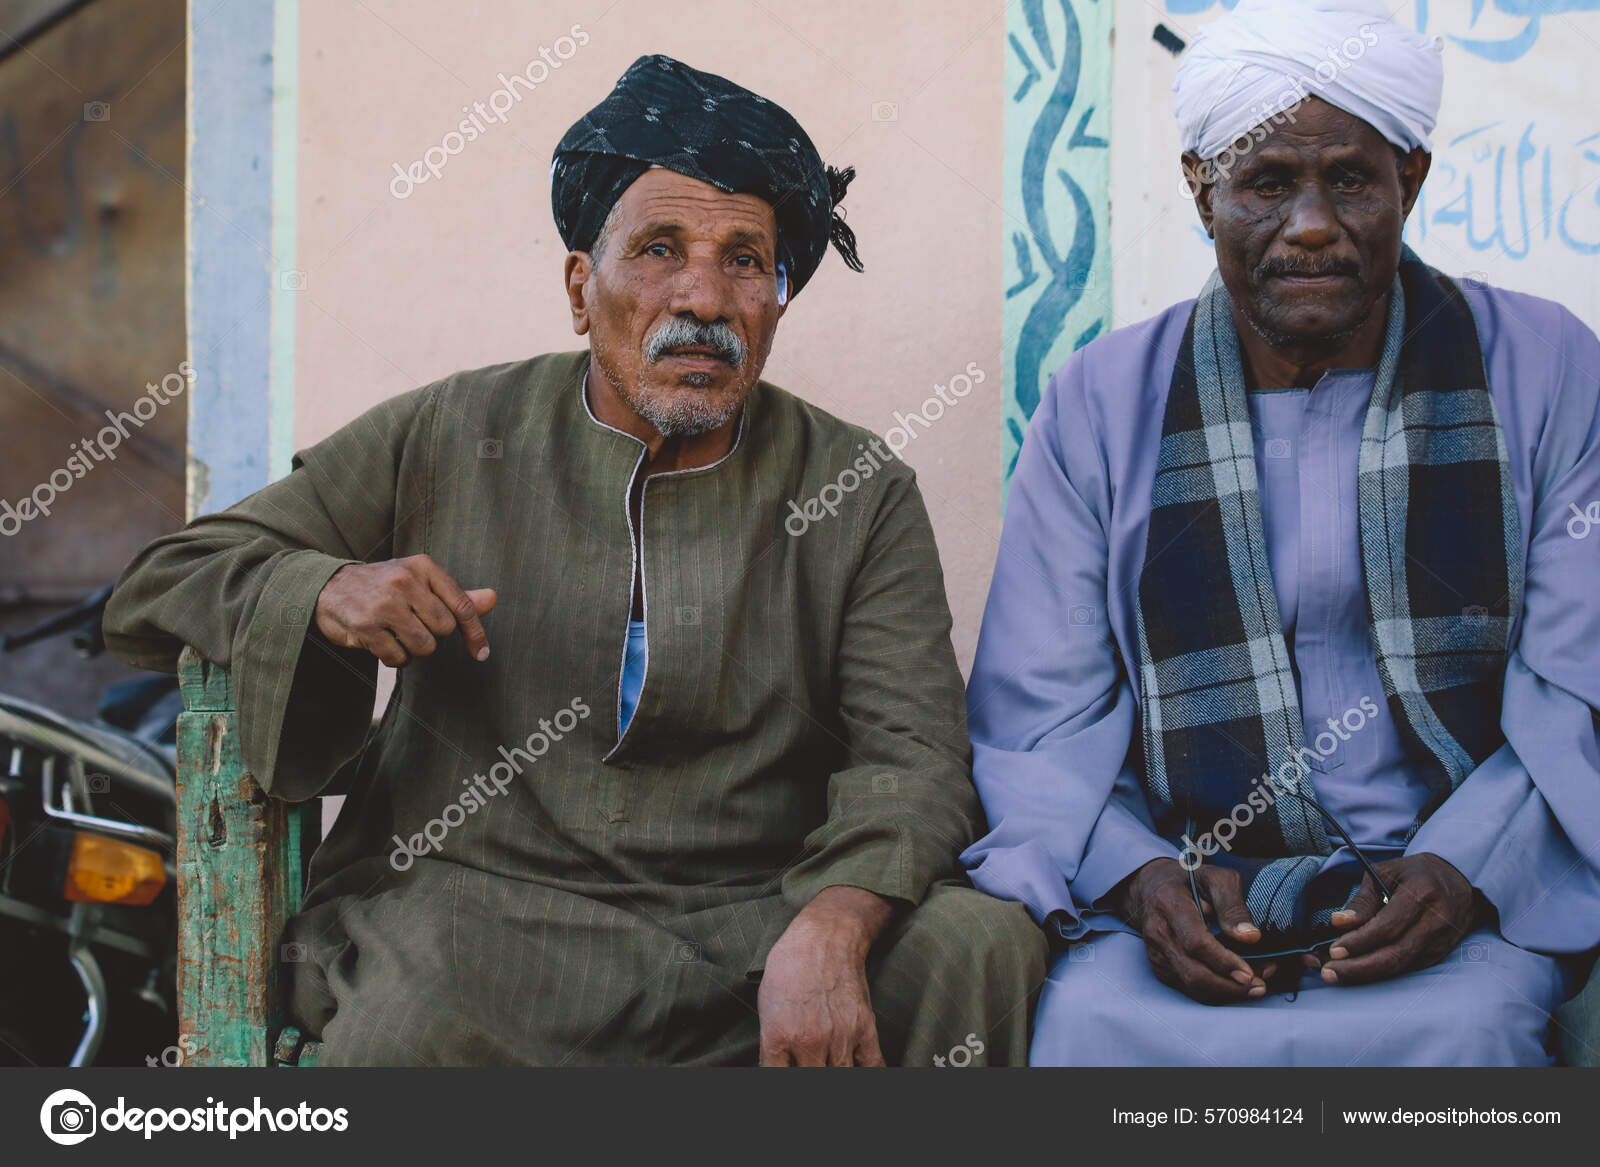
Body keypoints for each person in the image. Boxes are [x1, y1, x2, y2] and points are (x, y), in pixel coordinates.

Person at [105, 54, 1044, 1067]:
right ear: (578, 288)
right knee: (418, 1017)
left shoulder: (856, 488)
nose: (703, 296)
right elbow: (160, 585)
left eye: (744, 260)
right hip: (488, 926)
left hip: (751, 930)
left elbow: (912, 758)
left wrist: (833, 926)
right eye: (657, 249)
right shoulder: (452, 429)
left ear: (777, 301)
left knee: (974, 943)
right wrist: (325, 588)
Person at [963, 0, 1600, 1065]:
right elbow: (1041, 712)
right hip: (1191, 895)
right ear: (1199, 189)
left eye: (1348, 180)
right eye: (1264, 182)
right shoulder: (1099, 402)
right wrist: (1138, 877)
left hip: (1459, 895)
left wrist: (1466, 869)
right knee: (1085, 1025)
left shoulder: (1546, 369)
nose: (1310, 223)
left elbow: (1574, 679)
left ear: (1413, 180)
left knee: (1468, 1035)